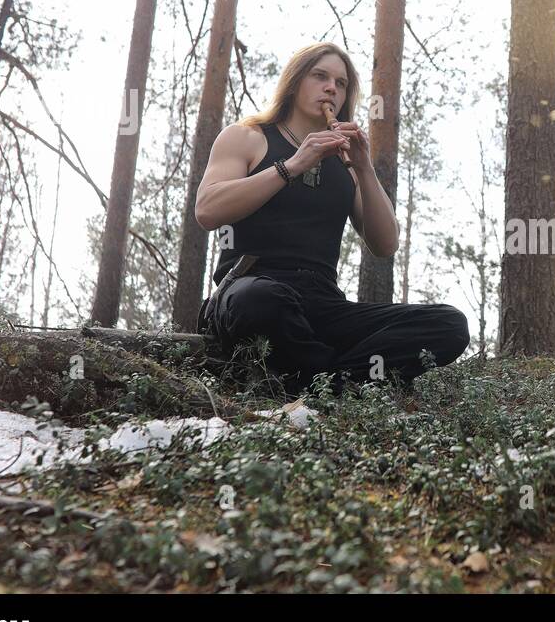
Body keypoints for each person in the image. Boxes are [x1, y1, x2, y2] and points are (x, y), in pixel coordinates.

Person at [194, 42, 469, 397]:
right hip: (250, 289)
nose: (331, 89)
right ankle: (336, 380)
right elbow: (208, 209)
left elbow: (385, 244)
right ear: (294, 83)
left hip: (323, 304)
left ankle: (322, 383)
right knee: (262, 300)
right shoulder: (247, 137)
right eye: (320, 76)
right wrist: (292, 165)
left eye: (341, 84)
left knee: (449, 325)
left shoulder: (346, 161)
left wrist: (364, 167)